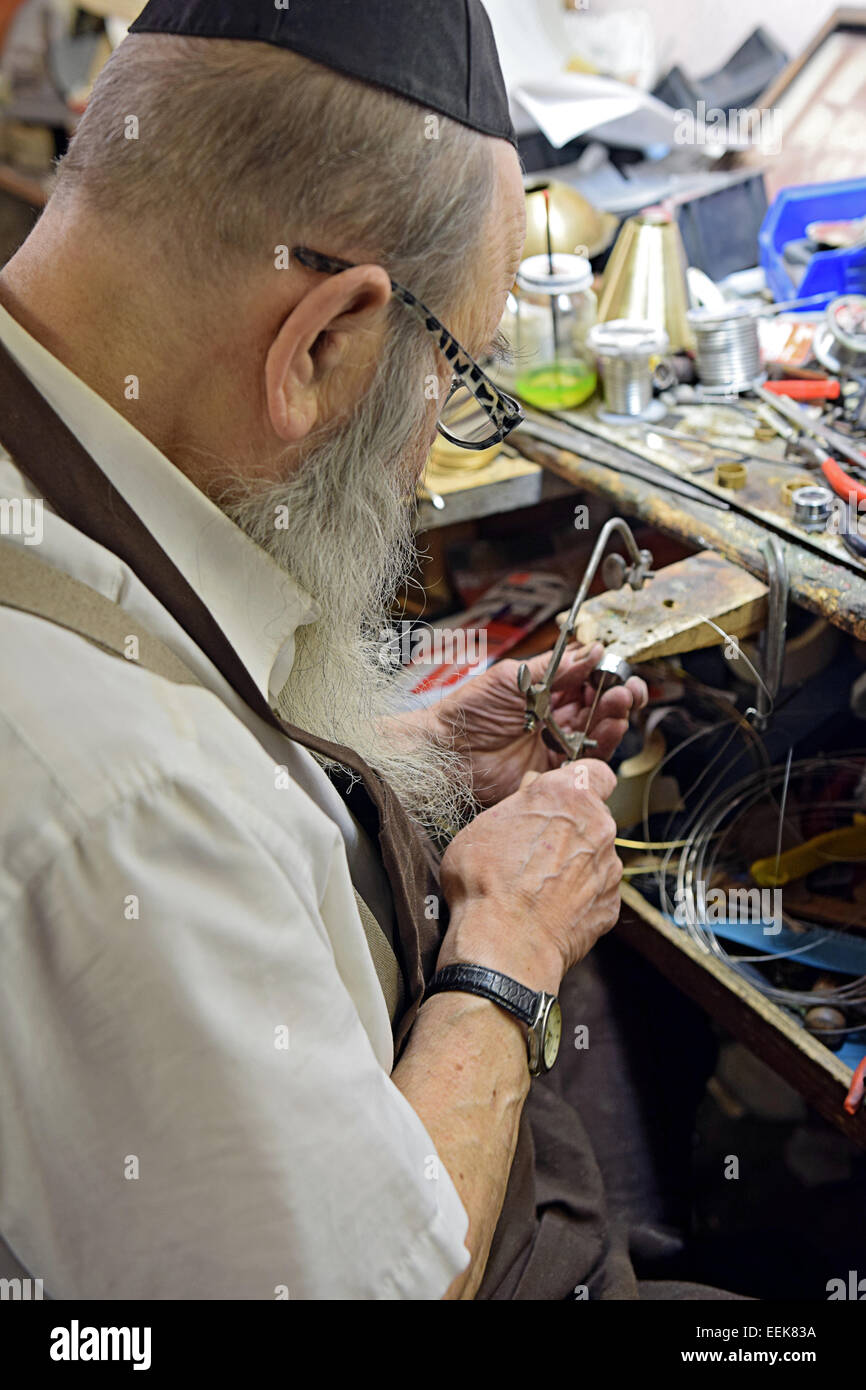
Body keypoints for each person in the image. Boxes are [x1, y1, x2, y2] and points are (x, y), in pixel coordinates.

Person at [0, 2, 731, 1301]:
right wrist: (506, 945)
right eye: (458, 376)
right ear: (324, 343)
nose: (429, 439)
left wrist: (411, 762)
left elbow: (209, 792)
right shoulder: (122, 806)